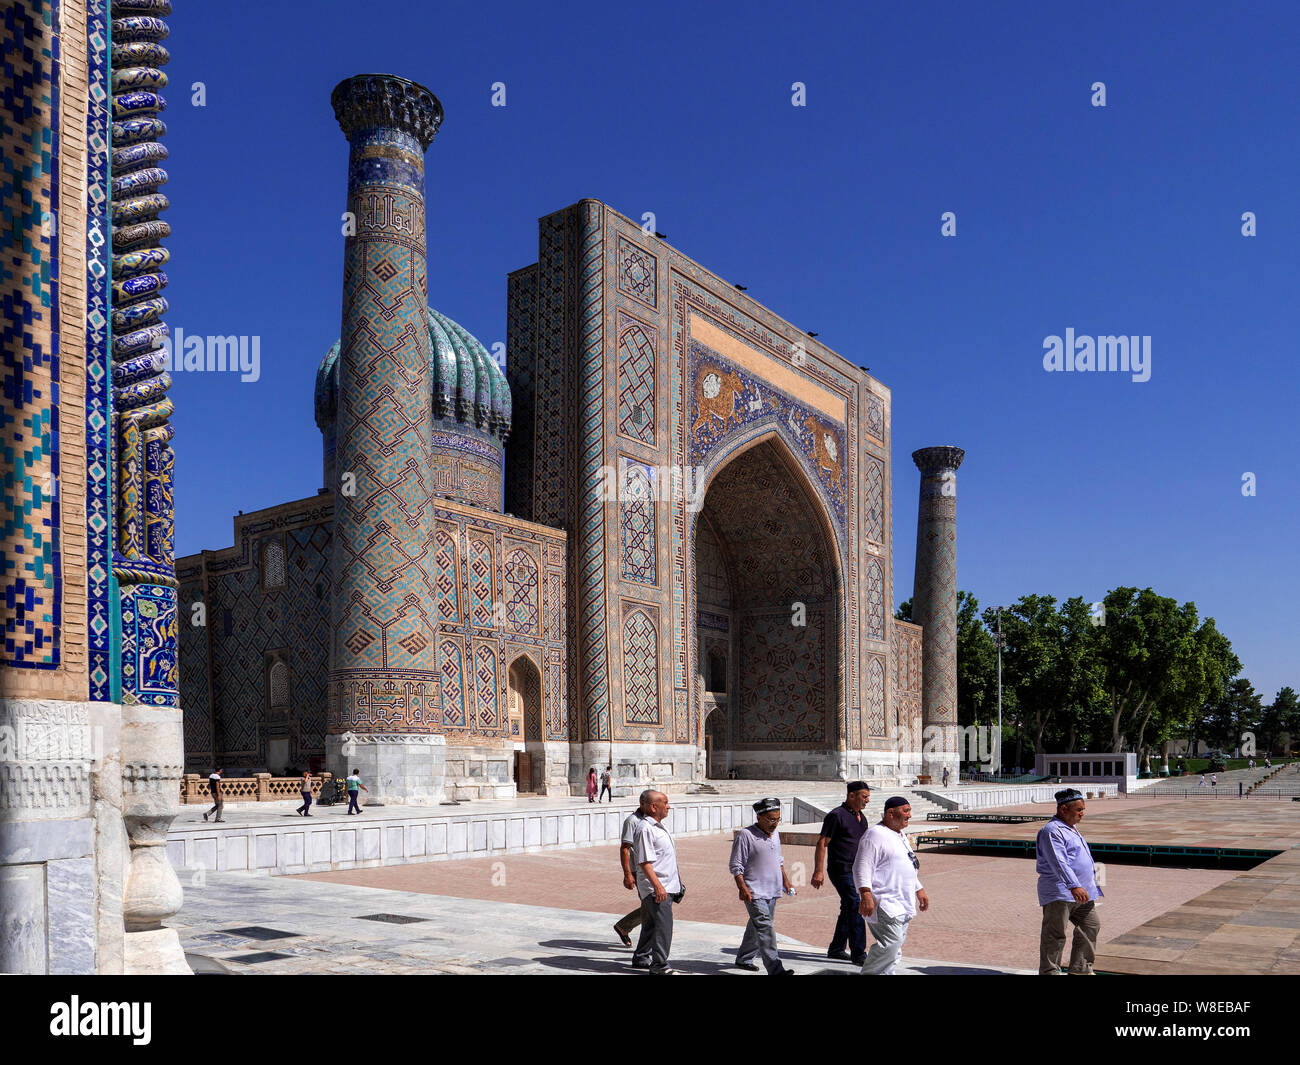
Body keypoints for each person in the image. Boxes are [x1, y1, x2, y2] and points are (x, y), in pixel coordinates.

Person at [855, 796, 928, 975]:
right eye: (905, 811)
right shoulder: (875, 834)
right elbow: (861, 866)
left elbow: (907, 864)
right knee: (890, 944)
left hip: (903, 900)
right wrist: (865, 894)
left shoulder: (900, 835)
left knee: (895, 949)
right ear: (890, 813)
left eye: (910, 811)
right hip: (885, 901)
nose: (909, 815)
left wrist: (919, 890)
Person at [1036, 787, 1103, 975]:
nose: (1082, 814)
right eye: (1078, 810)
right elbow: (1059, 862)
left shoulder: (1071, 828)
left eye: (1083, 810)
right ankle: (1049, 971)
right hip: (1061, 892)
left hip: (1083, 893)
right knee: (1055, 933)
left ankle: (1080, 969)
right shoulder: (1051, 831)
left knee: (1090, 925)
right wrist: (1074, 885)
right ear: (1064, 809)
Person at [729, 797, 795, 975]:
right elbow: (736, 865)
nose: (775, 823)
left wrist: (785, 881)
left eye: (778, 819)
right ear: (759, 817)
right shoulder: (746, 835)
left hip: (772, 890)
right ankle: (776, 969)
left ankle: (744, 958)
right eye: (771, 819)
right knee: (765, 928)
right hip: (754, 891)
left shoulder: (776, 835)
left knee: (756, 926)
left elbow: (778, 861)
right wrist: (742, 888)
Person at [811, 780, 871, 963]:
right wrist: (818, 871)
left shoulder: (862, 817)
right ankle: (859, 953)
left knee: (848, 908)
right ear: (851, 795)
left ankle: (836, 948)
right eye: (864, 796)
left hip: (857, 871)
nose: (867, 800)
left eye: (868, 797)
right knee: (855, 905)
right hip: (840, 869)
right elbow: (822, 843)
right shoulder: (836, 815)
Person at [631, 790, 683, 974]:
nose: (669, 806)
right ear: (654, 807)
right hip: (657, 888)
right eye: (666, 802)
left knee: (651, 924)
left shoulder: (658, 826)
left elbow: (665, 859)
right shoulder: (645, 828)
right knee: (663, 926)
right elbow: (644, 862)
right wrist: (658, 886)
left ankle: (641, 957)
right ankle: (659, 965)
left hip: (666, 885)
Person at [613, 789, 653, 946]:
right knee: (652, 906)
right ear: (643, 804)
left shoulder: (651, 819)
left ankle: (623, 926)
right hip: (639, 870)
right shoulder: (632, 821)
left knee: (652, 906)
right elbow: (625, 848)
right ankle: (645, 945)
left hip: (653, 869)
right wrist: (627, 874)